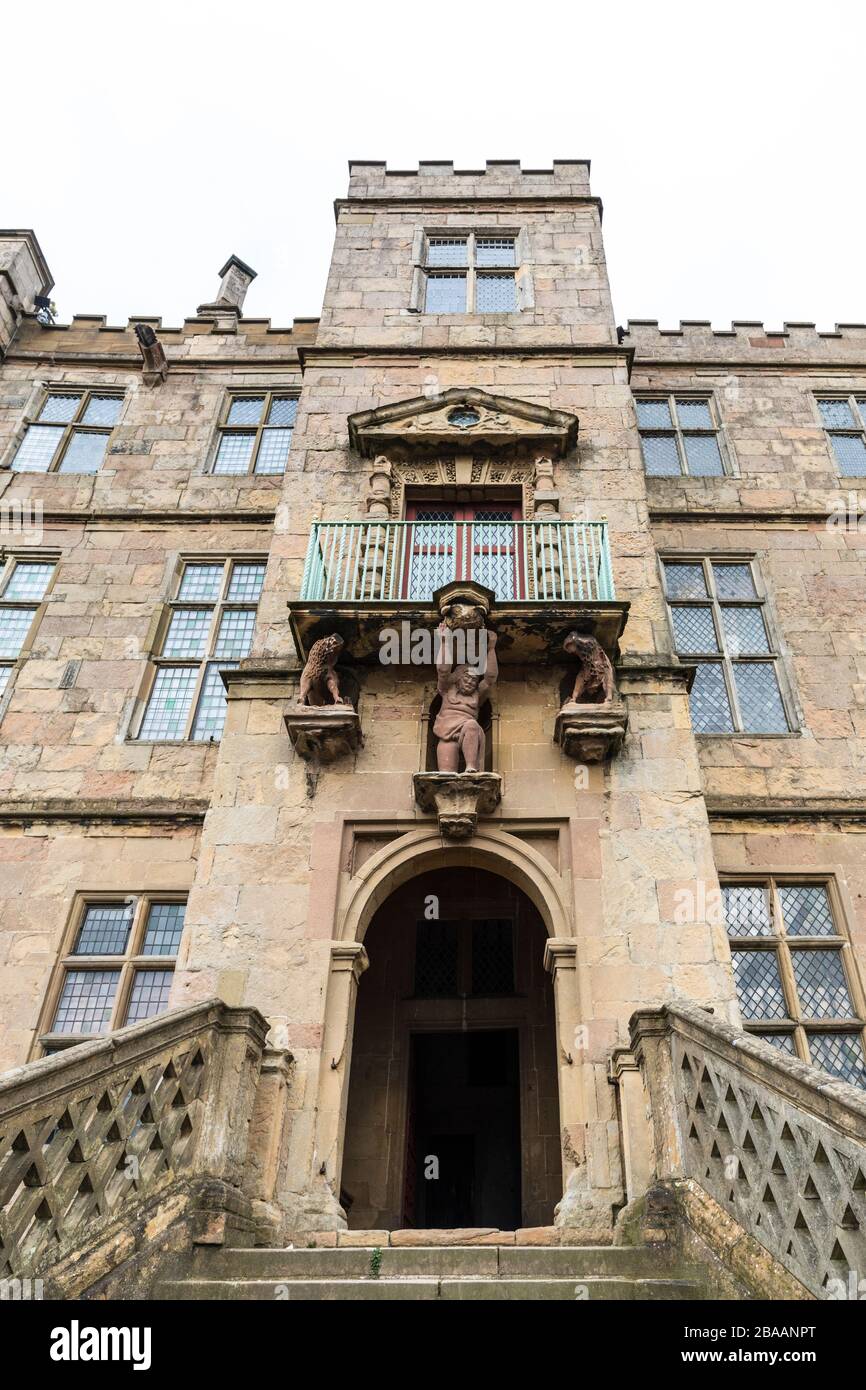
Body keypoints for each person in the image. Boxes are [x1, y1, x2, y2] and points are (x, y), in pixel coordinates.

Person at [433, 622, 498, 773]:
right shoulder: (446, 690)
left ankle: (470, 766)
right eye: (467, 679)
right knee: (445, 775)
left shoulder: (477, 694)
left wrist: (491, 648)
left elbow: (490, 678)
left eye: (474, 681)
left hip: (468, 732)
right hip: (446, 734)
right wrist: (443, 642)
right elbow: (443, 671)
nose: (470, 683)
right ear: (457, 679)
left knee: (471, 725)